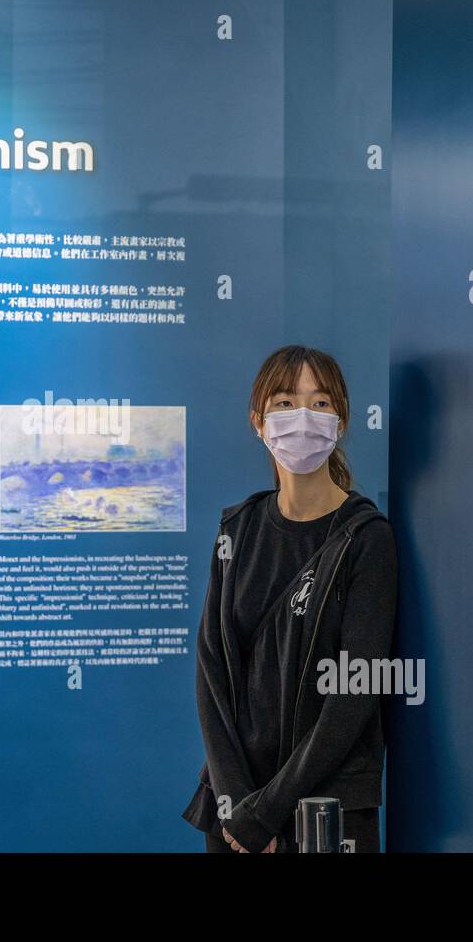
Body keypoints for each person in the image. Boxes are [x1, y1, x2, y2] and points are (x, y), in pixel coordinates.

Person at [181, 344, 398, 853]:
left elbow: (354, 695)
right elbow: (212, 671)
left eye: (320, 402)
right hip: (236, 815)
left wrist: (271, 810)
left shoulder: (365, 538)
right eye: (284, 401)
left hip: (326, 812)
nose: (303, 416)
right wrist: (236, 804)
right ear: (258, 421)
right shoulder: (238, 528)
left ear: (341, 420)